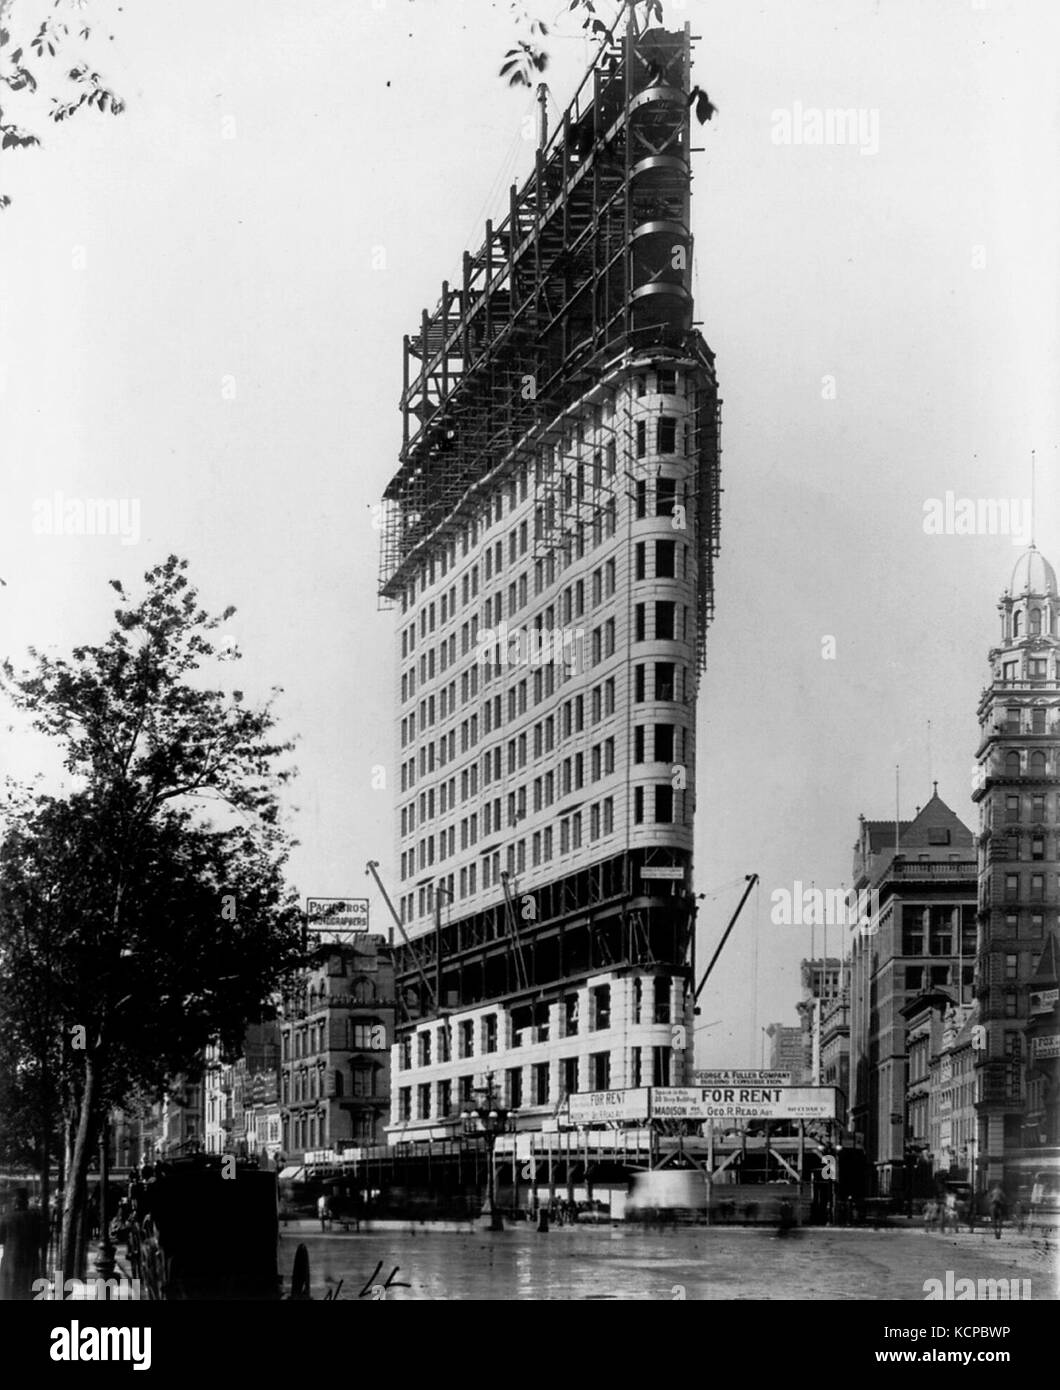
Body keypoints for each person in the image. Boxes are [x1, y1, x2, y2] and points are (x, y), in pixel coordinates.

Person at [0, 1190, 44, 1302]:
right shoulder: (35, 1218)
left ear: (15, 1202)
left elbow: (1, 1239)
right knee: (28, 1288)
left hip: (11, 1259)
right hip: (30, 1259)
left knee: (11, 1289)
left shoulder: (6, 1218)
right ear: (26, 1202)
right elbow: (42, 1238)